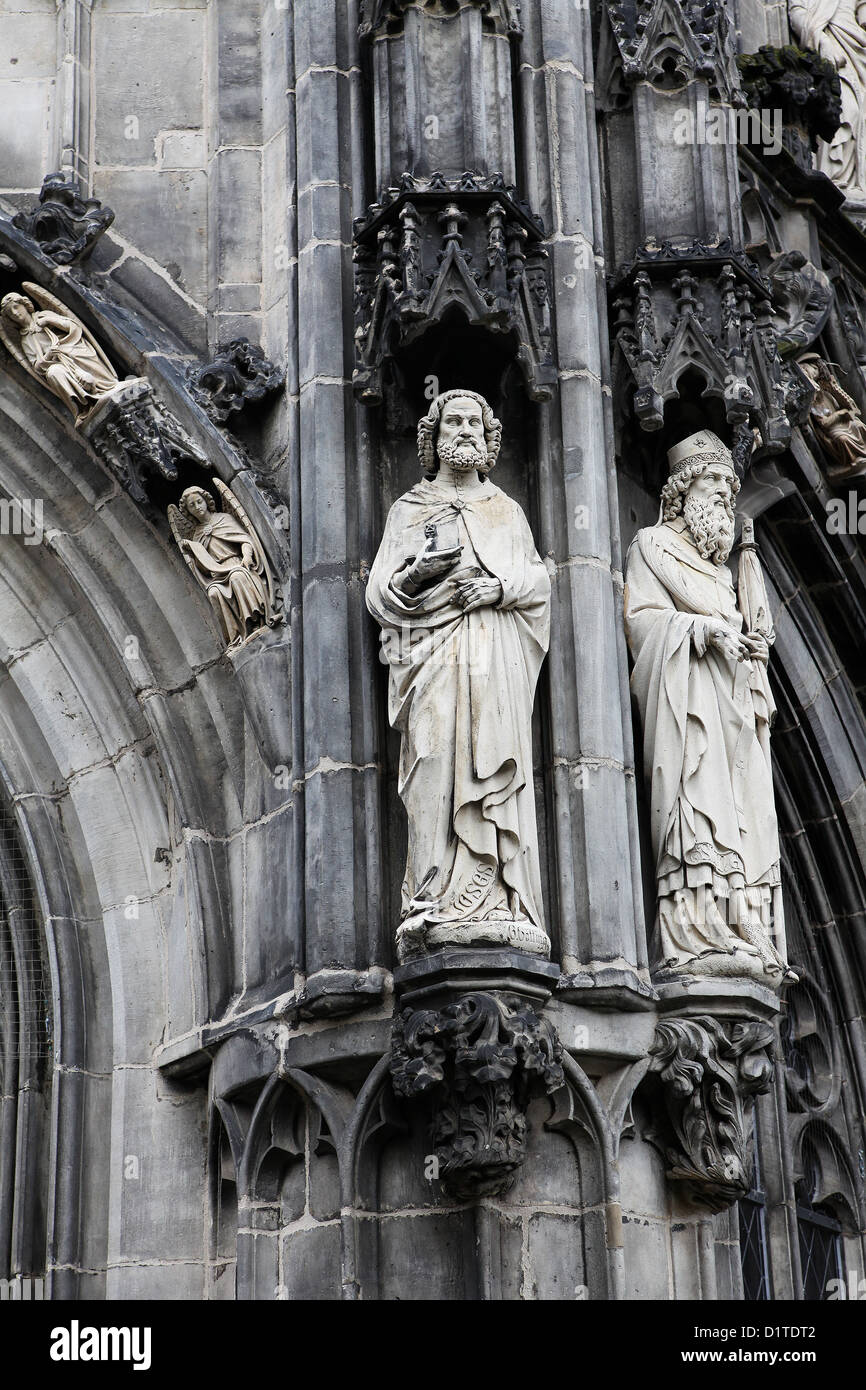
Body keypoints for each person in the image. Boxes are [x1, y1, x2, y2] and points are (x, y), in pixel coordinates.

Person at [366, 389, 551, 960]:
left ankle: (494, 895)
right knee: (430, 758)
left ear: (489, 437)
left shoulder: (508, 511)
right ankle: (431, 896)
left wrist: (498, 588)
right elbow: (379, 594)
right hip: (432, 657)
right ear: (435, 435)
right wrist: (418, 575)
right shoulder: (409, 509)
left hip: (493, 657)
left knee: (489, 764)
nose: (466, 430)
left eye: (476, 422)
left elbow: (539, 582)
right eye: (455, 422)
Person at [624, 430, 793, 982]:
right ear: (683, 490)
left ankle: (743, 923)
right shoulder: (651, 546)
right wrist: (700, 633)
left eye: (728, 487)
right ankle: (695, 931)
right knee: (699, 814)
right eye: (713, 485)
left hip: (733, 712)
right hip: (688, 707)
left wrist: (748, 648)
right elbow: (643, 624)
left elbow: (745, 627)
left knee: (743, 818)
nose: (723, 496)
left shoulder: (724, 573)